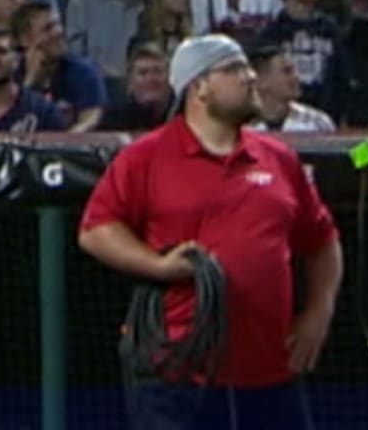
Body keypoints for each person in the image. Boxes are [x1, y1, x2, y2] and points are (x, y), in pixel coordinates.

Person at [76, 34, 343, 430]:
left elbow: (321, 239)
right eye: (234, 69)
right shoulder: (147, 156)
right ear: (197, 86)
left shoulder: (277, 157)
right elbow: (97, 229)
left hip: (270, 371)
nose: (250, 77)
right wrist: (159, 266)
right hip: (179, 375)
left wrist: (319, 310)